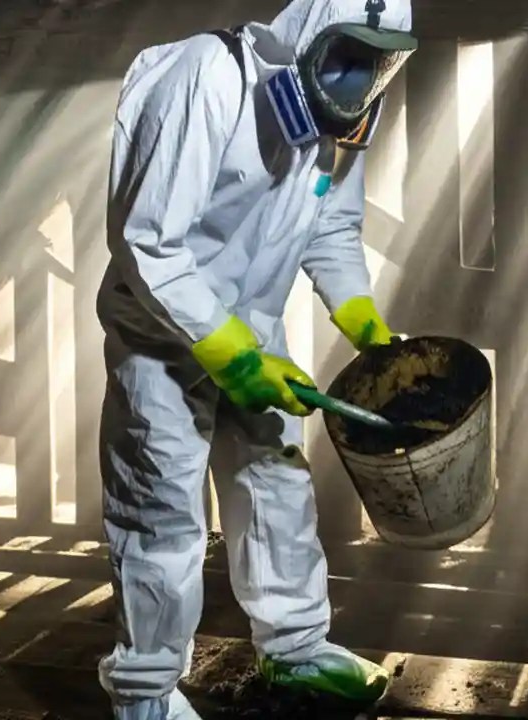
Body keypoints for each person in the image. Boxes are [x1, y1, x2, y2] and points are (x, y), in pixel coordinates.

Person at [95, 0, 416, 717]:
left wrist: (361, 318)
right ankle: (146, 695)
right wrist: (233, 358)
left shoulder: (341, 115)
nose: (359, 75)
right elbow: (148, 242)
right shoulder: (205, 75)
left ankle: (296, 649)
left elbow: (330, 223)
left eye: (380, 56)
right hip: (161, 327)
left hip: (252, 324)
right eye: (349, 51)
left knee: (276, 484)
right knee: (161, 507)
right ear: (305, 28)